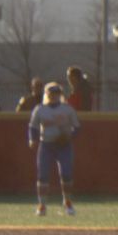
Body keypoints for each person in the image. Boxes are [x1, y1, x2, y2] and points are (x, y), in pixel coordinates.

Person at [27, 82, 81, 217]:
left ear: (60, 95)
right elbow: (33, 126)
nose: (54, 97)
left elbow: (77, 127)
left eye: (57, 94)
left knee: (66, 174)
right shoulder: (40, 109)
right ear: (47, 95)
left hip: (63, 146)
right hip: (46, 144)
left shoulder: (67, 109)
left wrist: (69, 136)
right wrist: (32, 139)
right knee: (43, 175)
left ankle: (67, 201)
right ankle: (42, 205)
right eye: (51, 94)